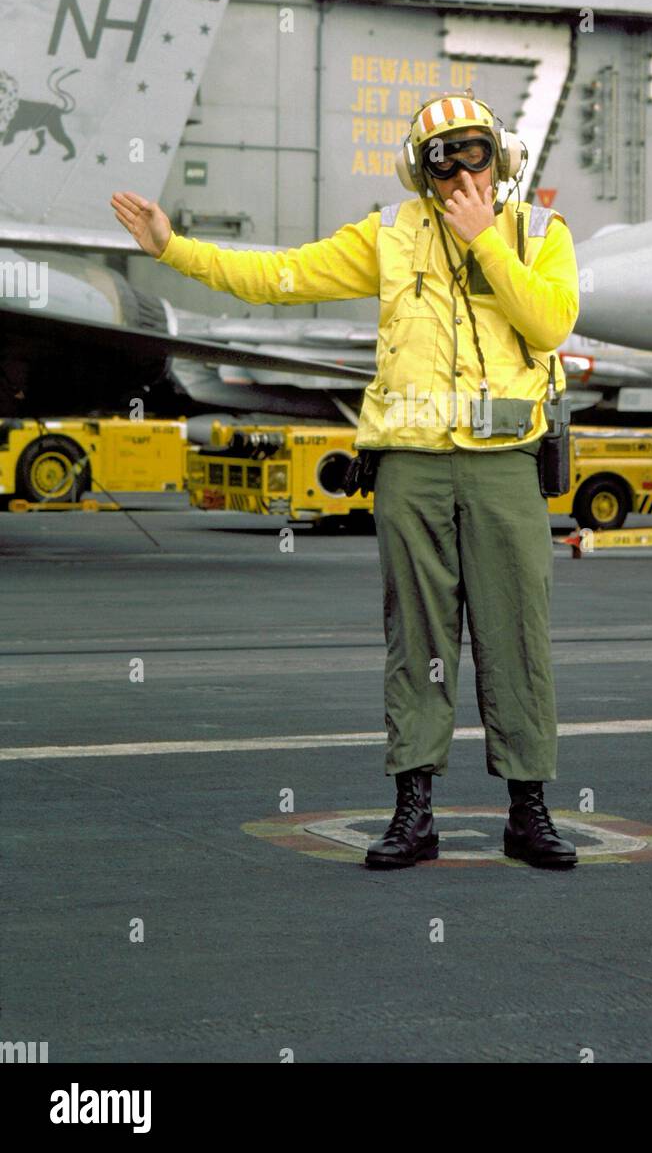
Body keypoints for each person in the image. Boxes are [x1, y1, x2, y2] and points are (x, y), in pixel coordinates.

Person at [110, 93, 581, 870]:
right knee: (417, 641)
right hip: (411, 466)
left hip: (504, 466)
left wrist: (484, 244)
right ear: (419, 169)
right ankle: (413, 810)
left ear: (502, 156)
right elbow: (283, 276)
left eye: (476, 153)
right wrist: (172, 248)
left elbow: (552, 324)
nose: (463, 171)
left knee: (517, 637)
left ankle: (528, 811)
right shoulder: (390, 236)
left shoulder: (538, 233)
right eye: (444, 157)